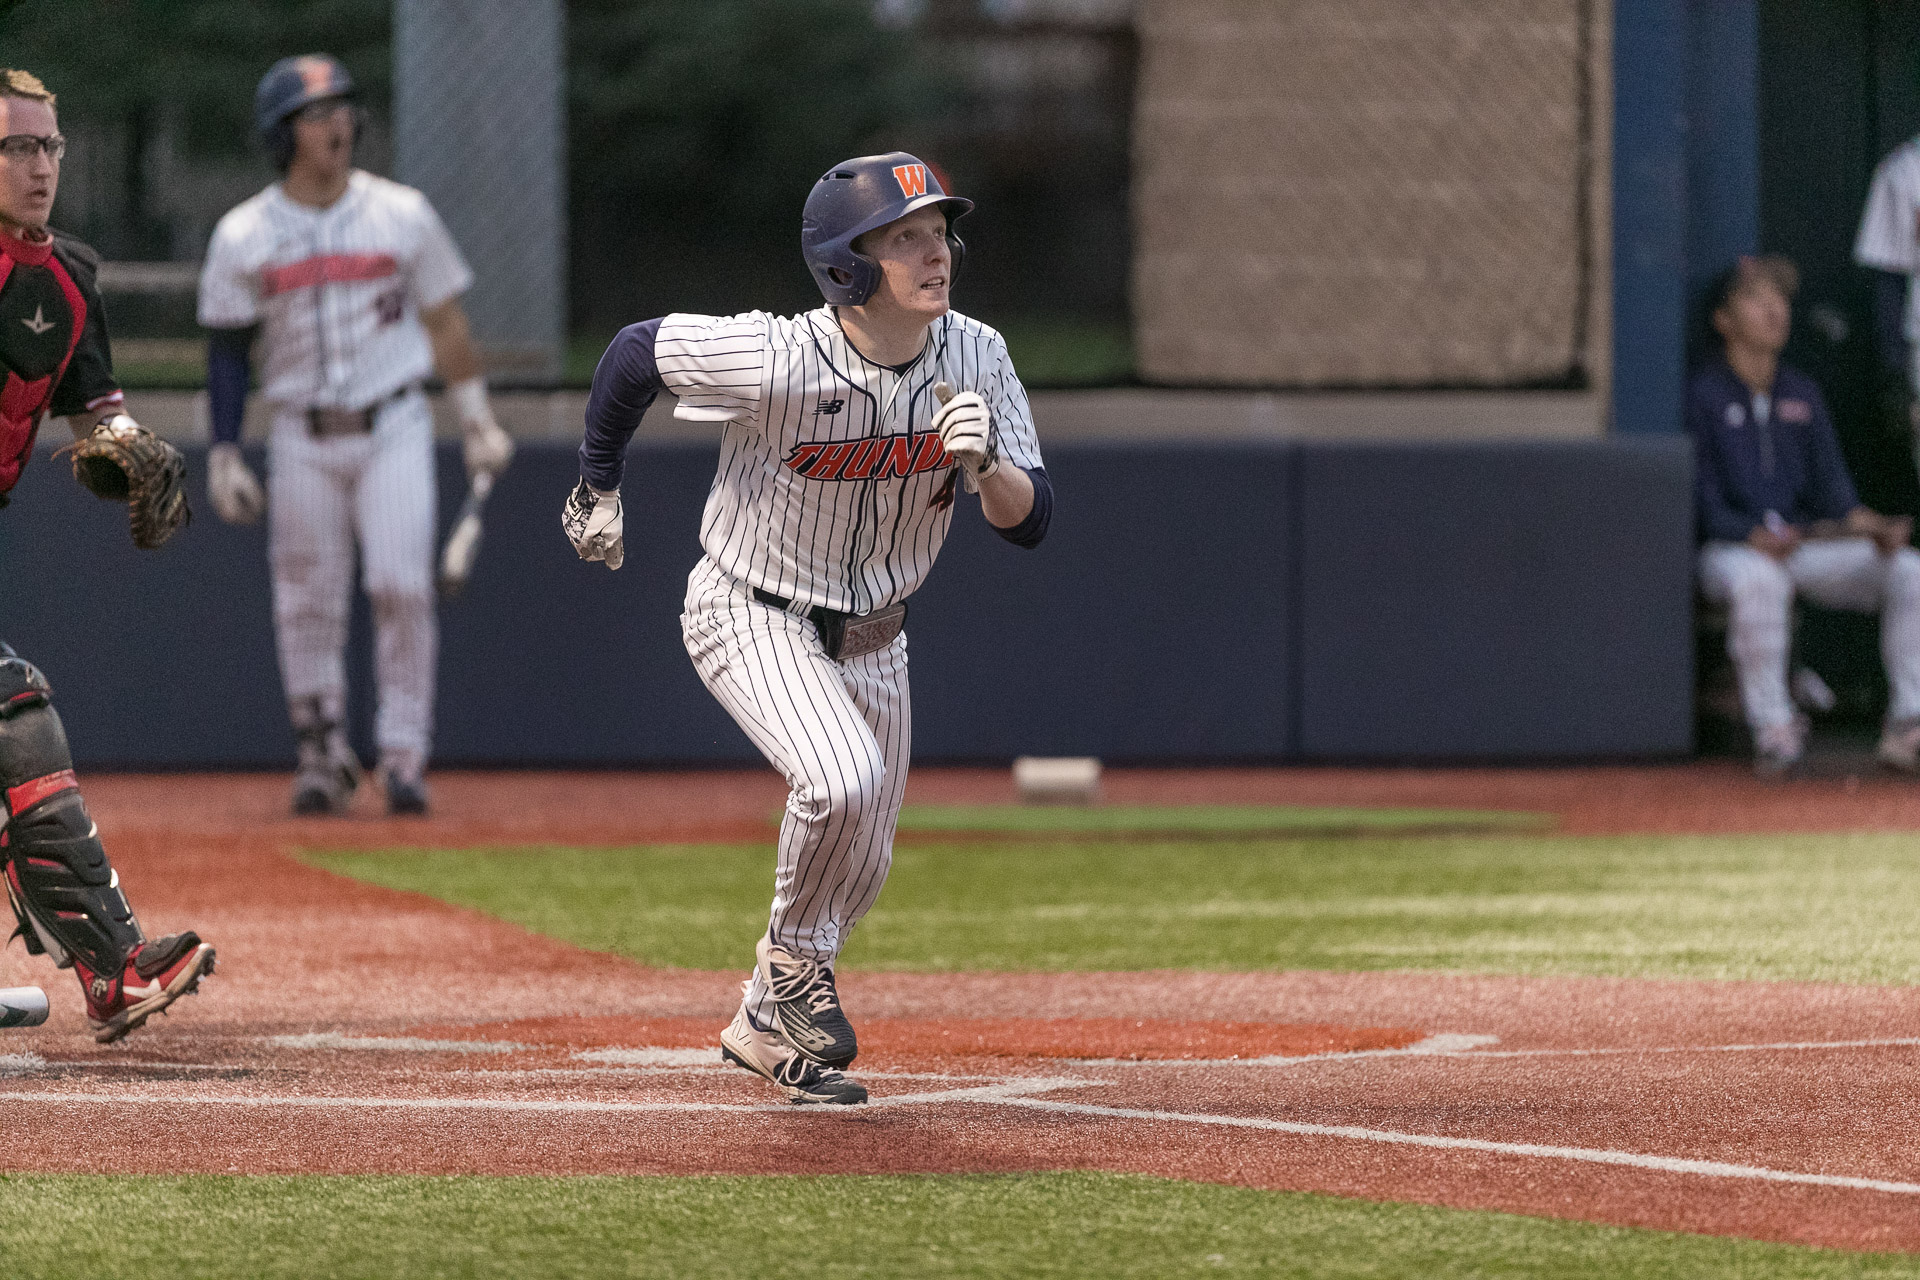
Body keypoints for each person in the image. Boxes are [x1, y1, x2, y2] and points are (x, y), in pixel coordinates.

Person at [565, 153, 1052, 1104]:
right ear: (847, 264)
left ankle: (763, 1017)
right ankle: (790, 978)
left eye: (939, 231)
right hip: (752, 609)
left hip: (880, 637)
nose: (934, 251)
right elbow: (634, 352)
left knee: (864, 852)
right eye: (904, 237)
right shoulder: (780, 354)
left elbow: (1031, 521)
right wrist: (596, 484)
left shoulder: (977, 354)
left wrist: (988, 464)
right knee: (840, 779)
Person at [196, 54, 514, 816]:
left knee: (401, 586)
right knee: (306, 599)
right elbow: (228, 353)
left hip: (394, 419)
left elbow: (444, 317)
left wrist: (474, 415)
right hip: (301, 430)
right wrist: (226, 450)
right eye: (316, 114)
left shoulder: (400, 212)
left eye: (342, 109)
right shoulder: (244, 232)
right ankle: (322, 754)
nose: (336, 124)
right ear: (282, 134)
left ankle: (403, 756)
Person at [0, 68, 216, 1041]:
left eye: (48, 146)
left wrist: (129, 457)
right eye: (16, 147)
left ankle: (112, 971)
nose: (38, 165)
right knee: (15, 715)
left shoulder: (72, 280)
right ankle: (115, 968)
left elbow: (101, 416)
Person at [1690, 255, 1920, 775]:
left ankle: (1909, 723)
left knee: (1910, 571)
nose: (1774, 308)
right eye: (1756, 298)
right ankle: (1772, 724)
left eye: (1780, 298)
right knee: (1759, 581)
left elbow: (1837, 498)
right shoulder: (1705, 395)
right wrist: (1747, 534)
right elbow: (1702, 505)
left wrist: (1873, 527)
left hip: (1802, 547)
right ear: (1724, 320)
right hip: (1733, 553)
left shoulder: (1801, 392)